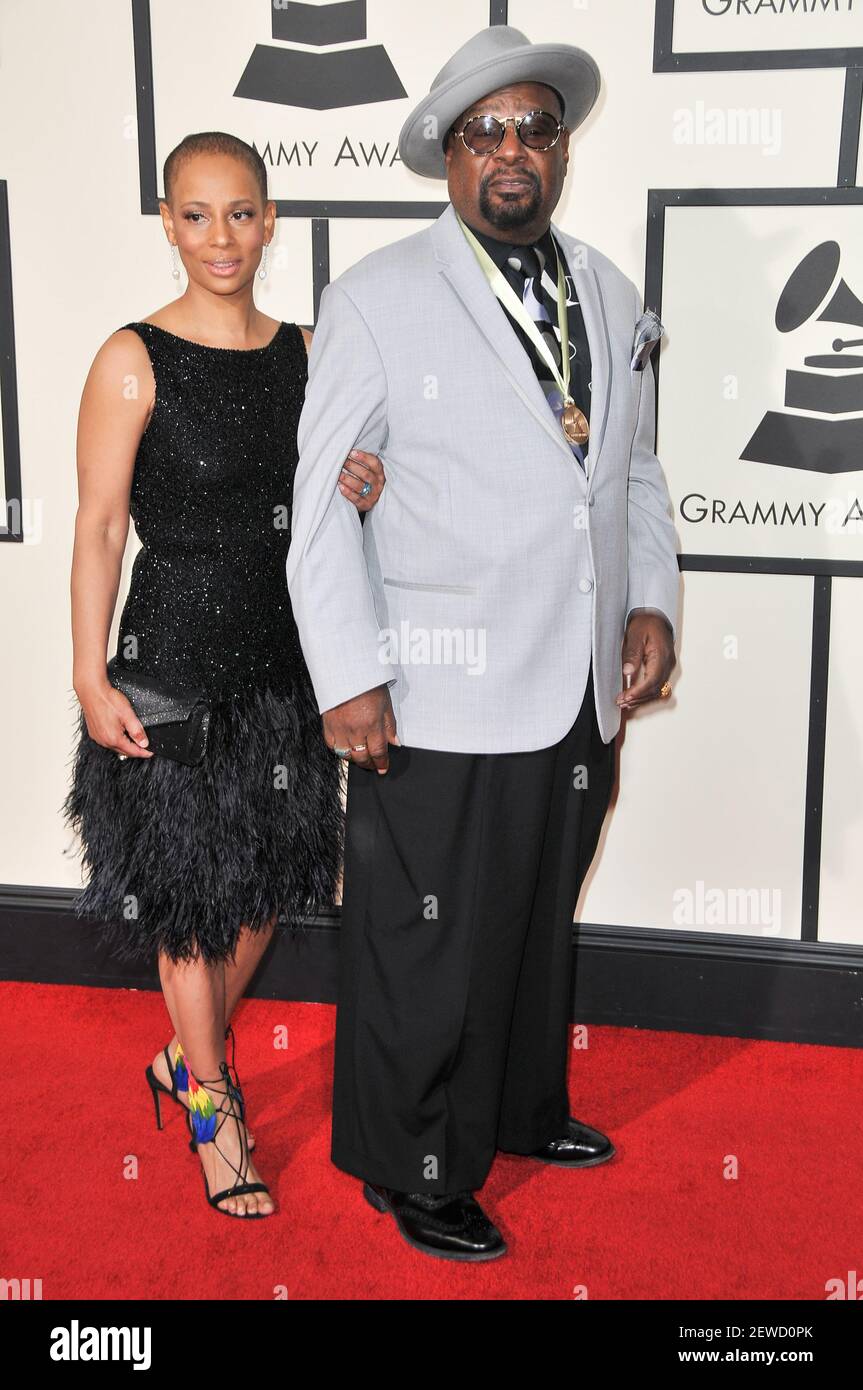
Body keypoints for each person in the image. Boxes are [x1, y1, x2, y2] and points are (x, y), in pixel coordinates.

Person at [287, 25, 679, 1261]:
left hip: (572, 683)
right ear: (449, 157)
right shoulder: (376, 297)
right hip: (436, 690)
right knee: (428, 938)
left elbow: (632, 473)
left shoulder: (610, 294)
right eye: (484, 132)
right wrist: (348, 673)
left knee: (530, 916)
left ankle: (517, 1109)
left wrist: (649, 600)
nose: (512, 152)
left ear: (561, 148)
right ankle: (410, 1162)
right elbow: (315, 507)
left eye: (534, 128)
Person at [64, 131, 386, 1219]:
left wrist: (362, 477)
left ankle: (180, 1056)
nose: (220, 237)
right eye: (196, 215)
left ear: (269, 217)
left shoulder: (306, 349)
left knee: (261, 895)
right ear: (166, 222)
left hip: (284, 669)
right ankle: (214, 1111)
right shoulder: (131, 356)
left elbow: (333, 493)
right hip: (170, 673)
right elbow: (101, 526)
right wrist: (85, 671)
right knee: (190, 913)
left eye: (240, 213)